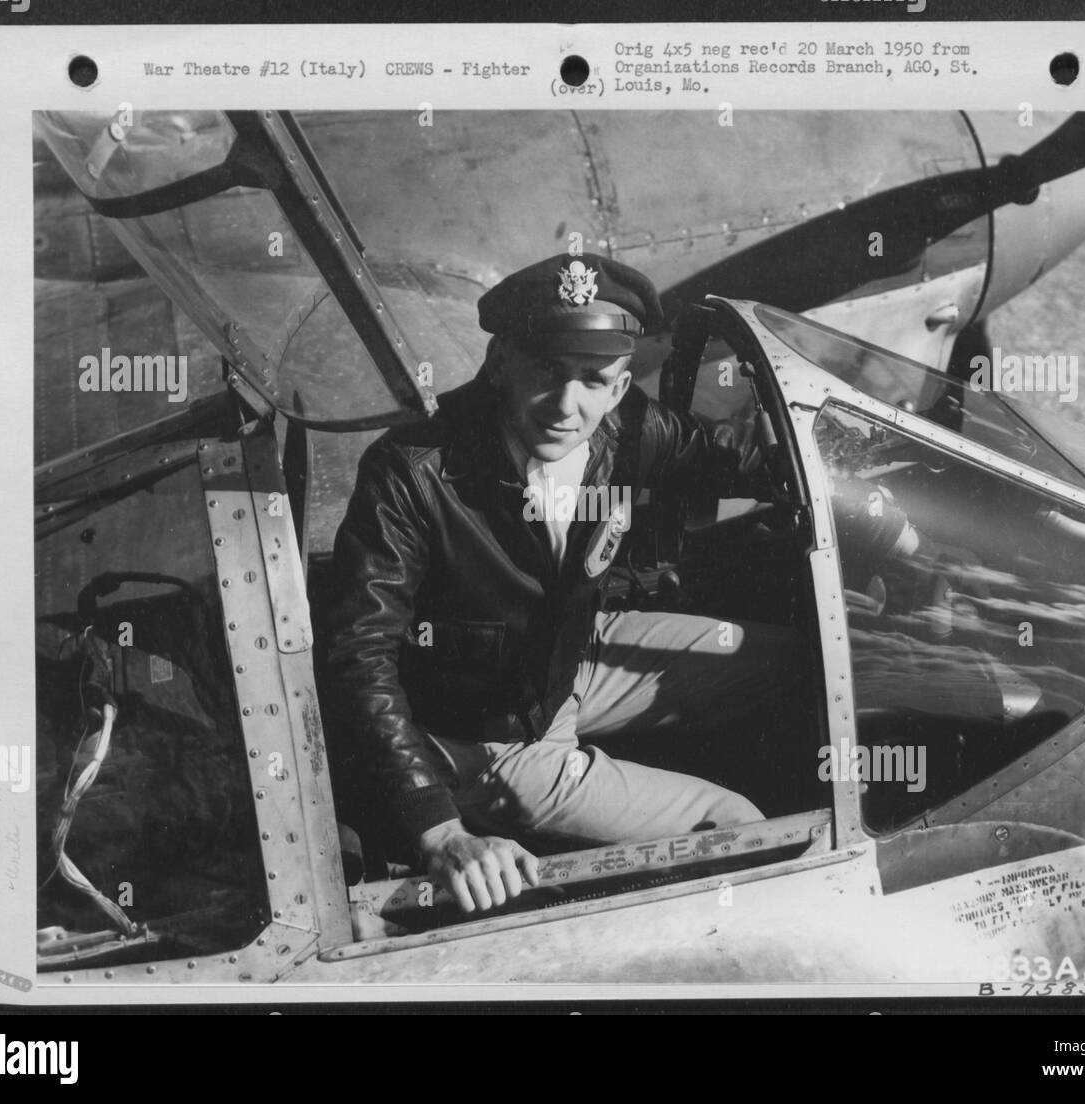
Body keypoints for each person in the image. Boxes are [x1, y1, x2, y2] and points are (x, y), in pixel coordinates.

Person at [326, 253, 795, 914]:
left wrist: (887, 518)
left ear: (619, 384)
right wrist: (438, 826)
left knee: (793, 663)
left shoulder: (627, 426)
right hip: (486, 737)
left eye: (593, 379)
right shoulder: (411, 472)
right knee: (737, 825)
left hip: (570, 655)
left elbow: (739, 461)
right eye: (546, 369)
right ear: (499, 365)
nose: (566, 406)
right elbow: (358, 658)